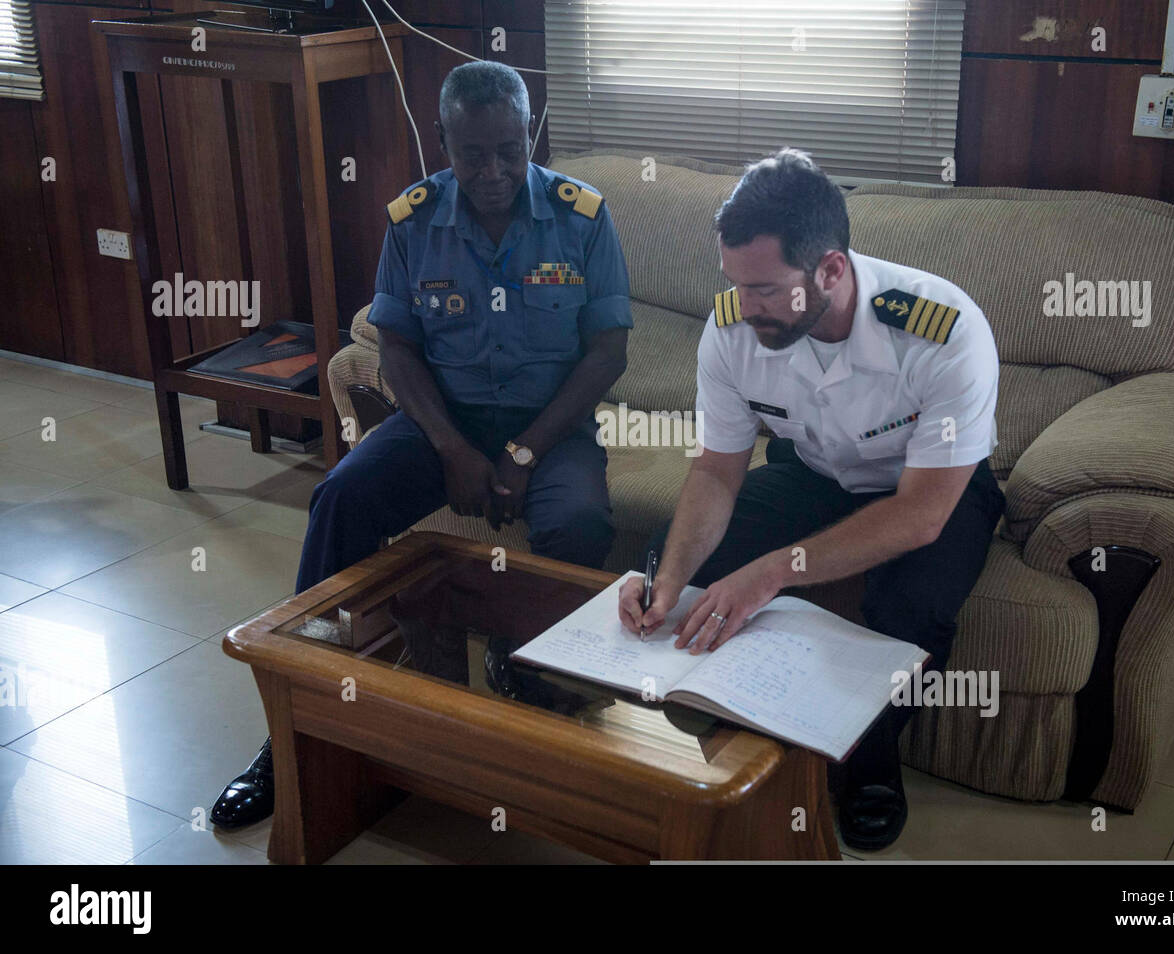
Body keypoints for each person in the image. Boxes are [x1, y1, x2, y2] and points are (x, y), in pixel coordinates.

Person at [210, 61, 632, 829]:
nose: (495, 171)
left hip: (550, 427)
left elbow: (607, 352)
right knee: (341, 496)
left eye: (509, 149)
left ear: (529, 131)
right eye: (473, 155)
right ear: (441, 142)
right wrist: (452, 449)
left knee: (582, 523)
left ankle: (525, 664)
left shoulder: (582, 217)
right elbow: (396, 348)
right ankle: (293, 719)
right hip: (444, 418)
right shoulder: (412, 220)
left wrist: (525, 453)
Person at [617, 148, 1003, 850]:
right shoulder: (734, 325)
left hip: (925, 487)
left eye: (765, 289)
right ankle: (728, 726)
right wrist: (667, 578)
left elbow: (923, 513)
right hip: (815, 471)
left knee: (907, 609)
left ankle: (871, 760)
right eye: (734, 282)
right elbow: (715, 472)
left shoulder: (942, 332)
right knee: (674, 562)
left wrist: (773, 571)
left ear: (830, 269)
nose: (745, 307)